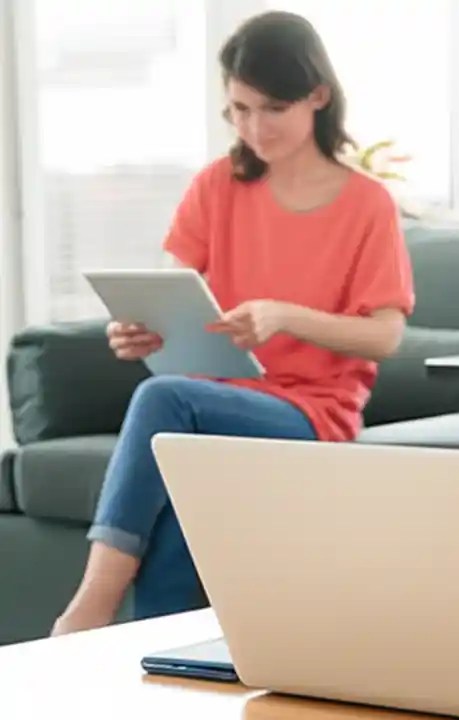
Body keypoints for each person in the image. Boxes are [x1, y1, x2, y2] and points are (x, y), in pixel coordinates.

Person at [51, 11, 414, 635]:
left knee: (164, 401)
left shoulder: (366, 204)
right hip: (216, 400)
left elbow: (385, 334)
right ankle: (154, 674)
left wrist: (286, 317)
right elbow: (173, 294)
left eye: (271, 108)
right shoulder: (216, 187)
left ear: (317, 96)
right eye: (238, 110)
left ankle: (88, 609)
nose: (253, 127)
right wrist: (140, 330)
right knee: (175, 509)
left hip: (311, 413)